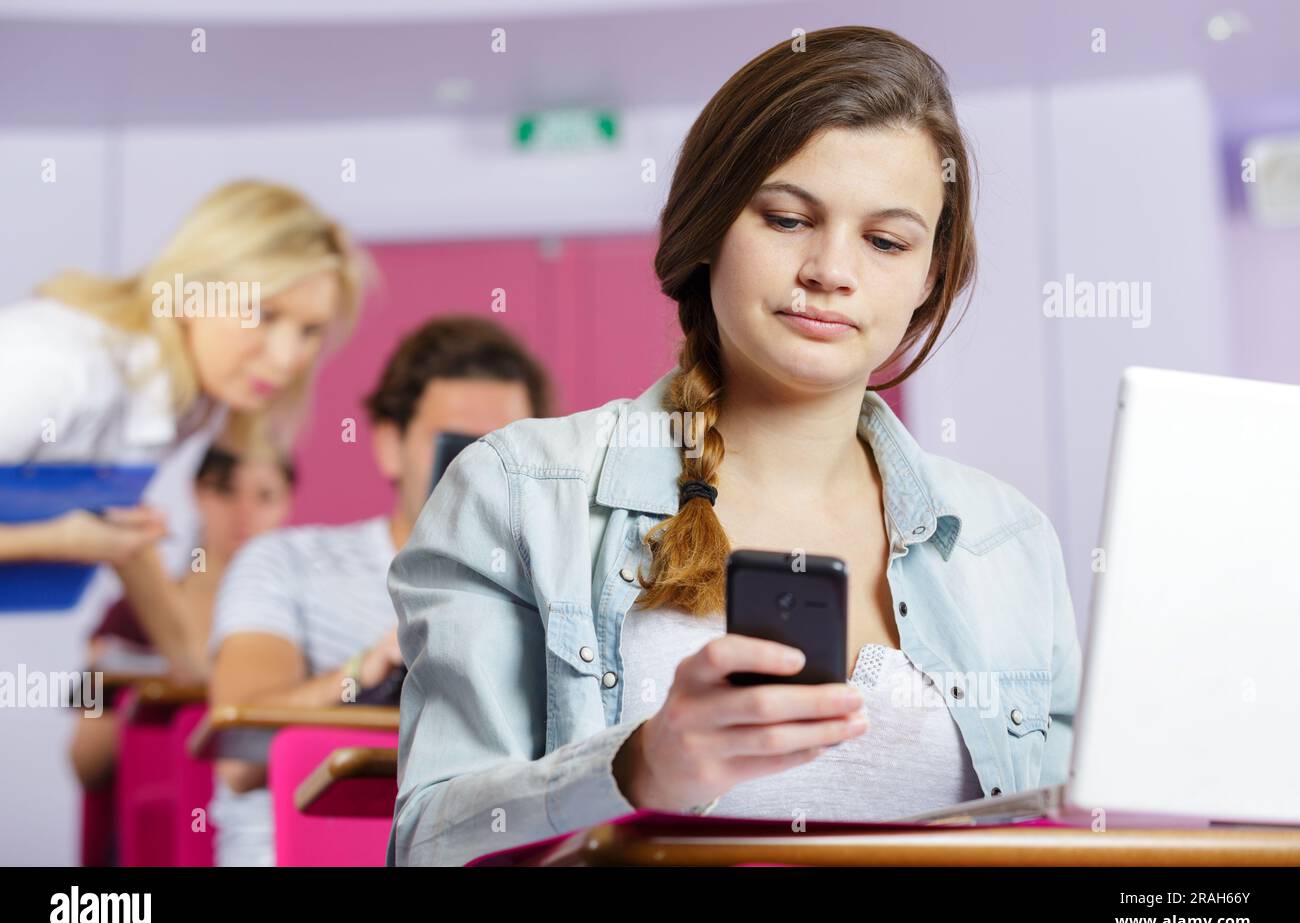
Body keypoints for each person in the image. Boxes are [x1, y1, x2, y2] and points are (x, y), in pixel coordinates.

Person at [387, 25, 1083, 867]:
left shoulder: (1007, 541)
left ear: (930, 275)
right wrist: (640, 768)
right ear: (712, 224)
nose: (831, 270)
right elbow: (428, 845)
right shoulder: (517, 491)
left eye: (886, 241)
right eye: (789, 218)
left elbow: (1071, 841)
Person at [206, 316, 553, 866]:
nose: (484, 473)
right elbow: (237, 754)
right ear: (391, 445)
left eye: (509, 451)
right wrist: (368, 669)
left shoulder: (553, 596)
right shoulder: (286, 563)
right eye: (460, 447)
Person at [0, 180, 367, 678]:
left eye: (309, 331)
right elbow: (92, 535)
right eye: (263, 314)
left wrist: (205, 683)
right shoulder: (62, 369)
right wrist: (57, 538)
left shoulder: (187, 399)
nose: (286, 359)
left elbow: (119, 536)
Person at [68, 439, 297, 793]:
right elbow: (85, 763)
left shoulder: (302, 618)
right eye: (225, 491)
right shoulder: (131, 615)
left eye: (264, 496)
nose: (243, 513)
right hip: (156, 814)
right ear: (197, 492)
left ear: (288, 503)